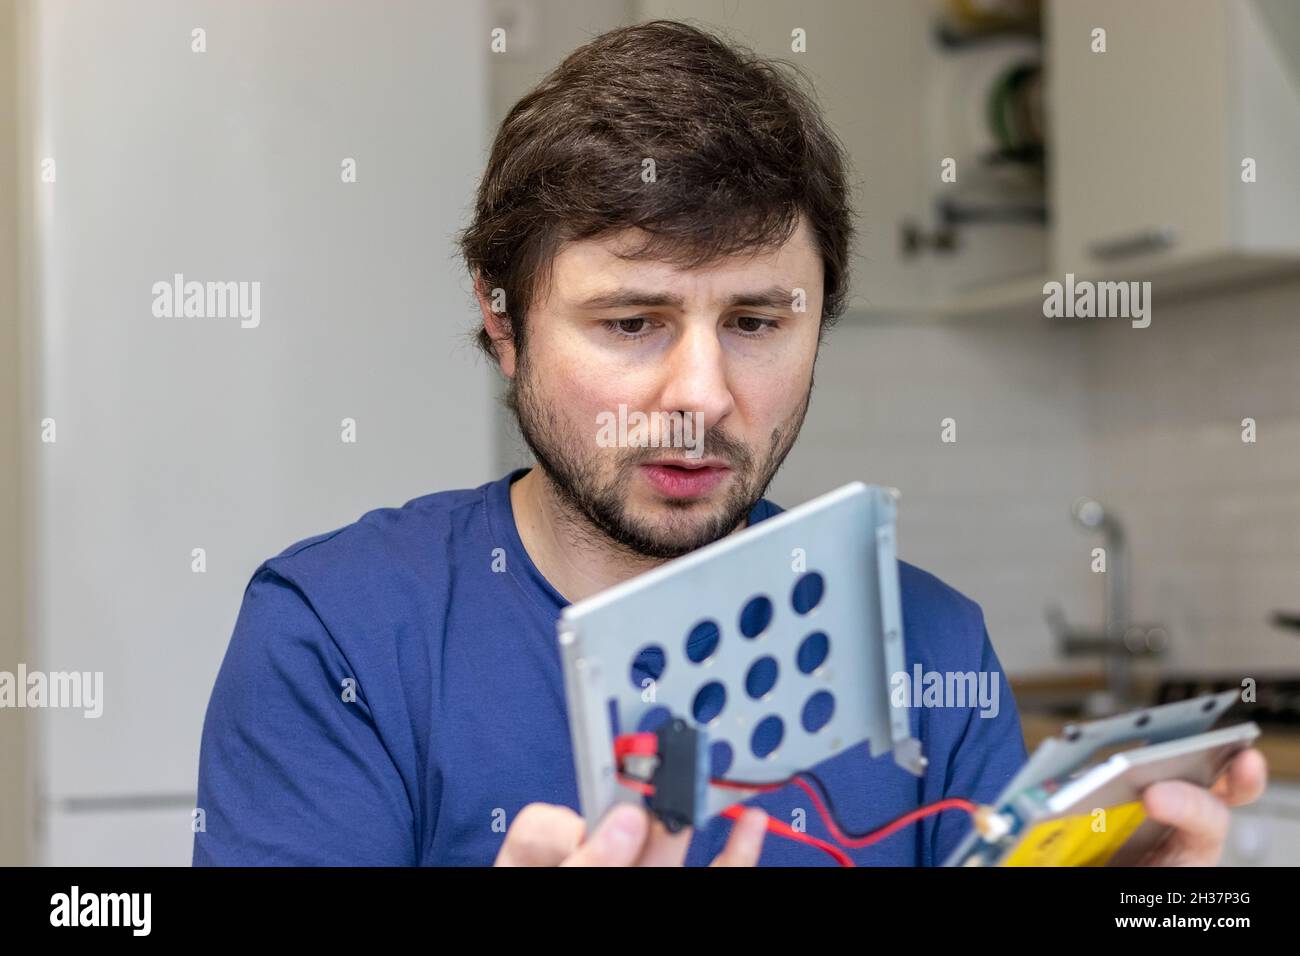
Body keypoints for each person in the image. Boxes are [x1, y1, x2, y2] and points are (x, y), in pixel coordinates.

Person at [193, 20, 1265, 867]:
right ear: (503, 321)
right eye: (631, 322)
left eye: (755, 323)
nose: (701, 395)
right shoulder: (335, 637)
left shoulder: (929, 646)